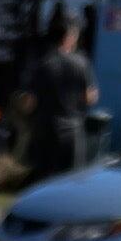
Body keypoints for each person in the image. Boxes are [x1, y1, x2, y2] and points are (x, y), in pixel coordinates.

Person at [21, 18, 97, 178]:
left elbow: (29, 102)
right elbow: (90, 97)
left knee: (44, 177)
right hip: (73, 129)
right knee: (70, 179)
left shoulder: (42, 64)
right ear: (68, 37)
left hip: (46, 129)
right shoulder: (81, 63)